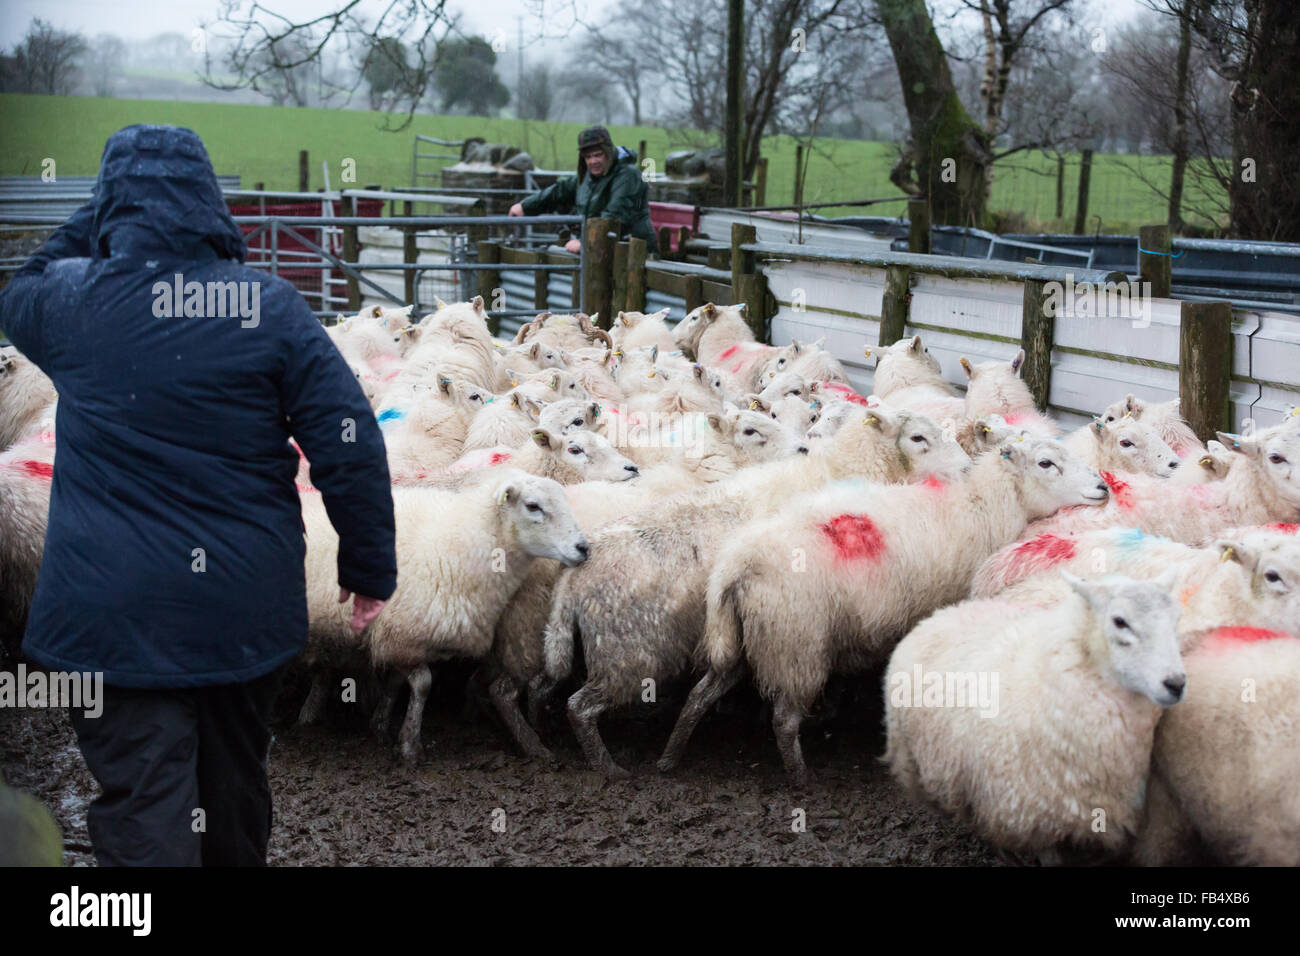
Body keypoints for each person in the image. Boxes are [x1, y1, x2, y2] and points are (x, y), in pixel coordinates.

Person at [0, 125, 397, 866]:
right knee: (232, 786)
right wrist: (368, 569)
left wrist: (103, 219)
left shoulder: (71, 302)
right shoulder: (270, 307)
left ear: (109, 206)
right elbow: (349, 436)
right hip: (239, 605)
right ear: (212, 205)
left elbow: (19, 286)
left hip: (109, 612)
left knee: (145, 802)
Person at [509, 125, 658, 255]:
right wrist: (525, 206)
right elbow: (558, 192)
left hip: (632, 253)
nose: (593, 161)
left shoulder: (628, 175)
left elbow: (616, 214)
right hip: (602, 250)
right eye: (588, 157)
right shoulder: (587, 178)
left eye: (598, 155)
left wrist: (586, 242)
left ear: (609, 152)